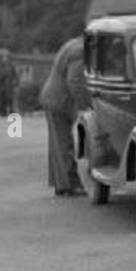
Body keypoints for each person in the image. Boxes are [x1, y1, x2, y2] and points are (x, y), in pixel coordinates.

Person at [39, 35, 88, 196]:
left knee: (58, 144)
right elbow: (74, 81)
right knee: (64, 143)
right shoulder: (80, 51)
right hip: (60, 100)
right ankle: (70, 184)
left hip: (53, 98)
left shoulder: (73, 44)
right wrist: (84, 106)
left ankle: (61, 185)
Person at [0, 50, 19, 117]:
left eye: (6, 57)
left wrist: (15, 83)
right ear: (1, 58)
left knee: (10, 100)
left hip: (9, 86)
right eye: (3, 57)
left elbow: (15, 75)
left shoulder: (11, 66)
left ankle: (11, 113)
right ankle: (2, 113)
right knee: (1, 101)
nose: (4, 58)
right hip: (1, 87)